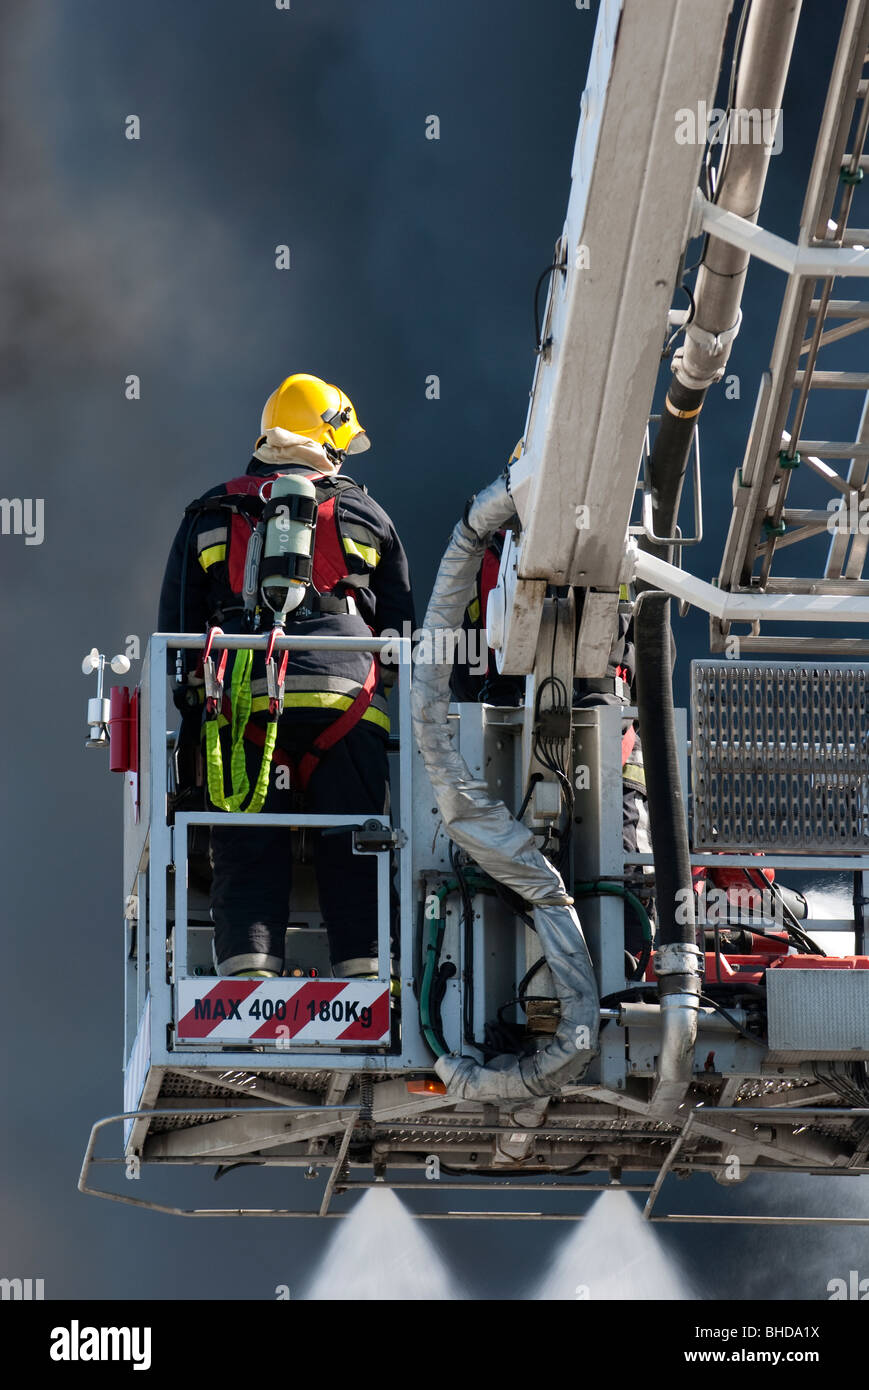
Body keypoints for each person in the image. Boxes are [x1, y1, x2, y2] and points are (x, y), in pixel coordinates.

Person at [158, 373, 414, 980]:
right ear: (326, 441)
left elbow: (177, 634)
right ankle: (365, 969)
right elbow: (402, 634)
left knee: (247, 843)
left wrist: (198, 719)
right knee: (357, 839)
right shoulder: (364, 513)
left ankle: (249, 972)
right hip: (348, 706)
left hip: (243, 705)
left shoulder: (209, 512)